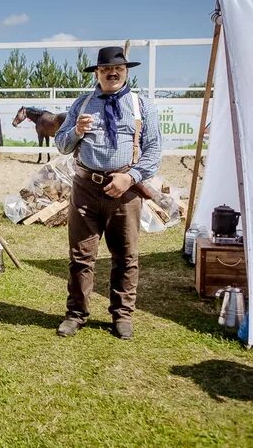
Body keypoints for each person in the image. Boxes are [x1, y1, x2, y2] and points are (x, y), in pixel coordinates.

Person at [54, 46, 161, 340]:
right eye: (106, 70)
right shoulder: (82, 103)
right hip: (86, 187)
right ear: (97, 73)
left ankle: (122, 315)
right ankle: (75, 314)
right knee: (80, 256)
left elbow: (153, 151)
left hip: (124, 191)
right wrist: (75, 131)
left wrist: (131, 177)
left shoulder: (142, 106)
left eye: (119, 69)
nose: (112, 73)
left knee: (126, 256)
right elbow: (62, 145)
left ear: (126, 72)